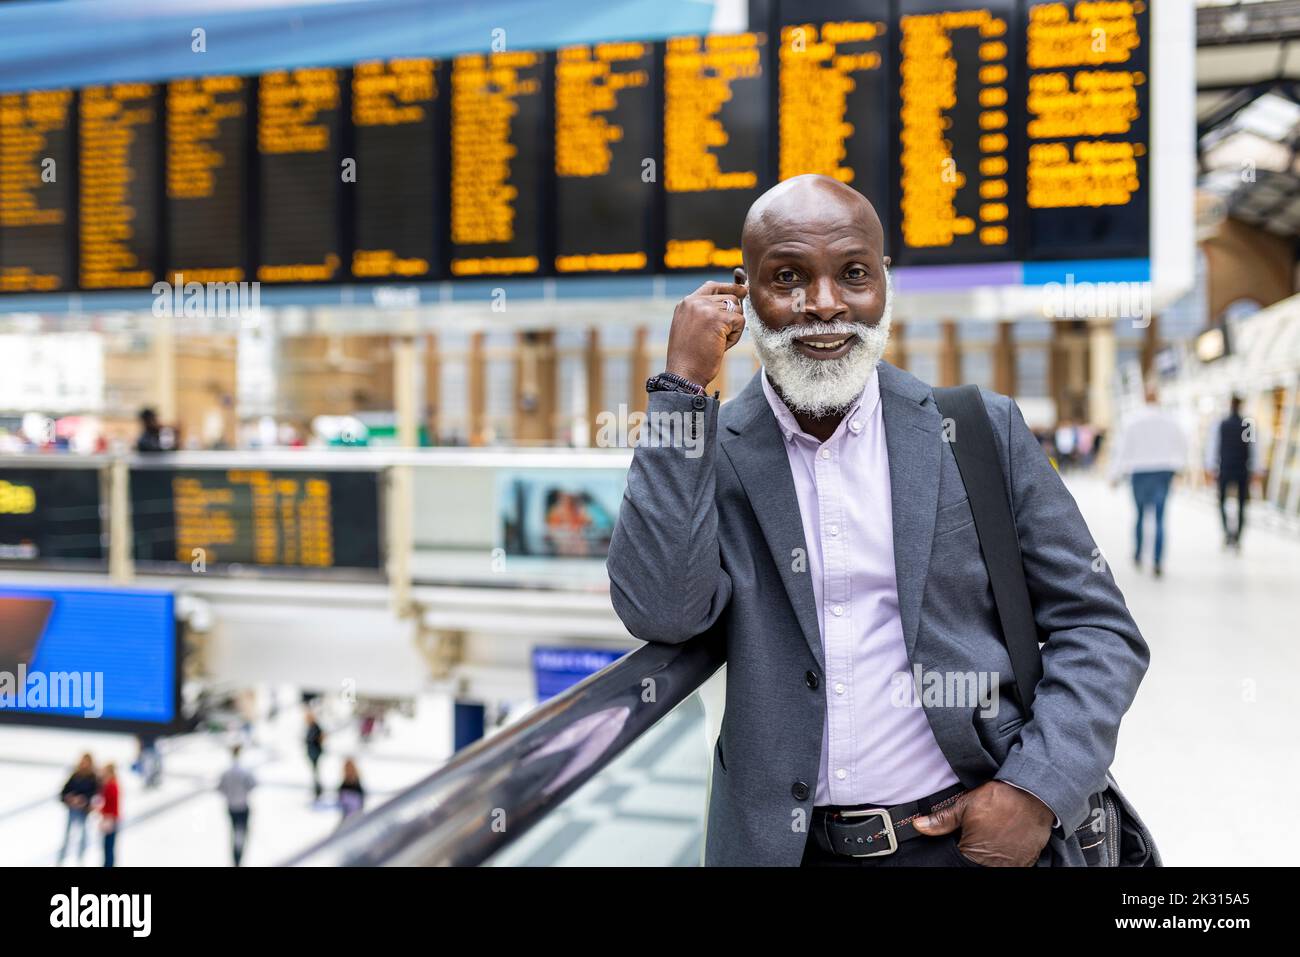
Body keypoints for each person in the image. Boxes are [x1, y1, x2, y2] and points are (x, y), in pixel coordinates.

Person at [606, 174, 1150, 867]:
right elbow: (662, 611)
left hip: (968, 840)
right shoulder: (709, 452)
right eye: (789, 277)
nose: (825, 304)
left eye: (854, 274)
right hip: (788, 850)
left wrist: (1034, 790)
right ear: (745, 293)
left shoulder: (978, 430)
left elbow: (1098, 627)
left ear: (884, 283)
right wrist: (682, 388)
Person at [1108, 384, 1189, 577]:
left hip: (1140, 473)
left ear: (1144, 397)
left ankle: (1138, 555)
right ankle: (1157, 561)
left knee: (1140, 515)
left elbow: (1122, 449)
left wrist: (1114, 475)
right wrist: (1180, 469)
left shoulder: (1132, 421)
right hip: (1163, 472)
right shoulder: (1170, 421)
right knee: (1160, 518)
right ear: (1158, 397)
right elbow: (1182, 446)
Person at [1205, 394, 1258, 551]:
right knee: (1242, 504)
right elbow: (1253, 448)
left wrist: (1211, 466)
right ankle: (1237, 536)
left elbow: (1213, 446)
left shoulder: (1221, 424)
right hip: (1242, 468)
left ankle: (1228, 533)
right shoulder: (1247, 425)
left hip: (1226, 467)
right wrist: (1255, 468)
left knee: (1222, 501)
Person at [217, 745, 255, 867]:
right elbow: (252, 784)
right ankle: (237, 858)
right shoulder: (244, 770)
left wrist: (230, 794)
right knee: (241, 833)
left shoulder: (226, 771)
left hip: (231, 806)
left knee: (235, 831)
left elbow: (220, 788)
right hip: (242, 806)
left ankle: (236, 858)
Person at [58, 753, 99, 865]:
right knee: (68, 835)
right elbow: (63, 793)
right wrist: (70, 799)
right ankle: (61, 860)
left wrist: (84, 800)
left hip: (84, 811)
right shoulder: (75, 775)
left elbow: (95, 795)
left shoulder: (93, 778)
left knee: (83, 835)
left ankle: (80, 860)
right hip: (73, 810)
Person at [97, 763, 120, 868]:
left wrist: (101, 810)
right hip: (110, 817)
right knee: (107, 845)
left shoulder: (111, 785)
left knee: (109, 845)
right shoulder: (111, 784)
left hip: (111, 818)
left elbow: (109, 803)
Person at [337, 759, 365, 825]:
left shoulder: (357, 786)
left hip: (357, 817)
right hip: (346, 819)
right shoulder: (342, 786)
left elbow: (361, 804)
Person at [305, 710, 325, 800]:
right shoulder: (310, 727)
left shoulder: (316, 727)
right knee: (315, 772)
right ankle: (317, 789)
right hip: (312, 752)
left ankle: (318, 790)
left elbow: (321, 737)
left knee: (316, 772)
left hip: (315, 752)